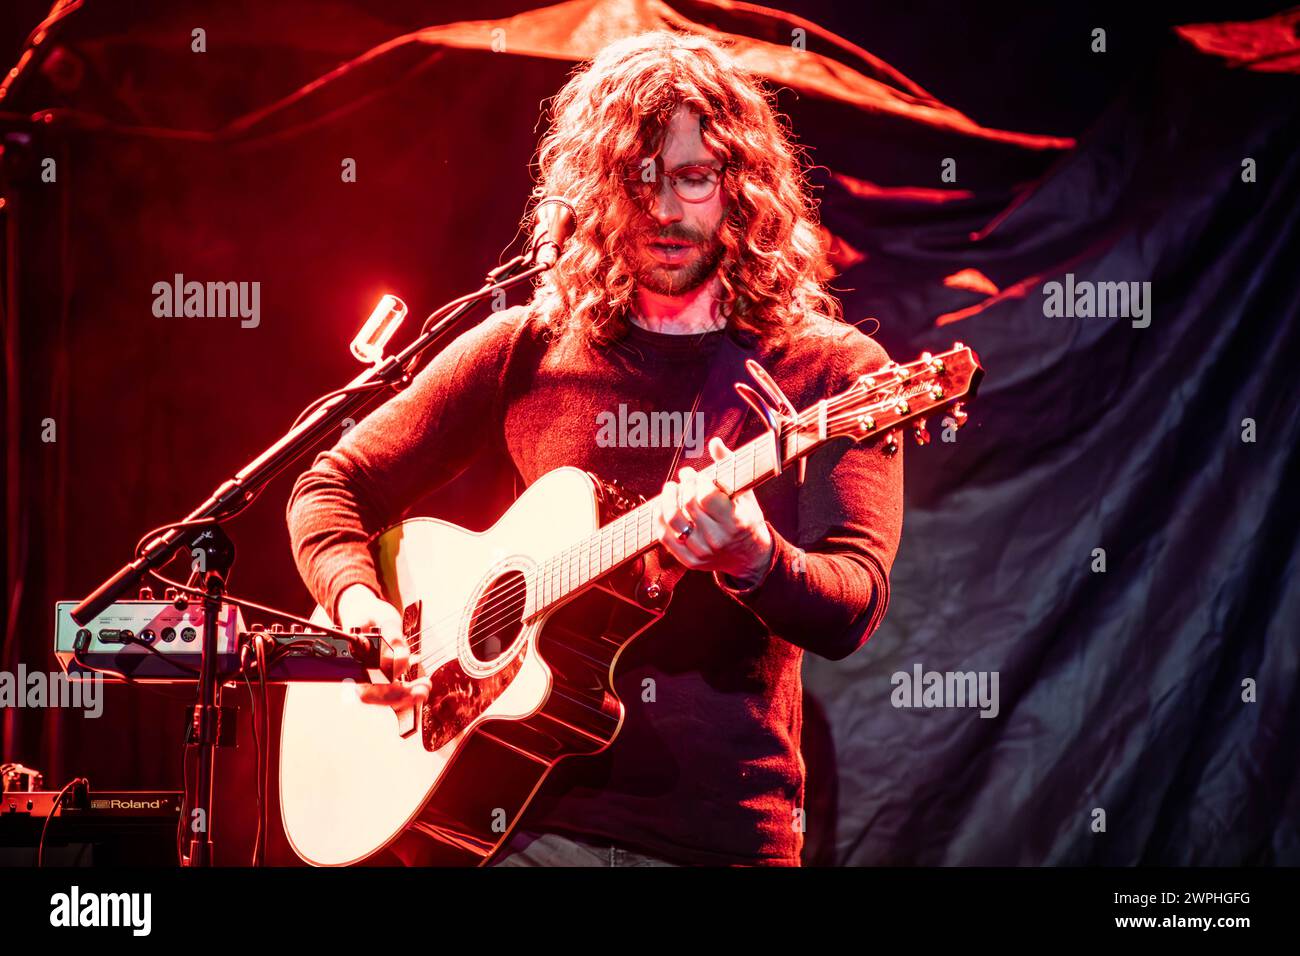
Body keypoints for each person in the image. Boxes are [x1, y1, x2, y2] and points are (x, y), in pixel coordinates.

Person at [286, 30, 903, 867]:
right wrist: (364, 614)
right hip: (509, 833)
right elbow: (334, 484)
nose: (665, 212)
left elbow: (852, 604)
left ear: (743, 189)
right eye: (636, 182)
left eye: (694, 179)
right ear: (593, 194)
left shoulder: (832, 371)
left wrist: (756, 558)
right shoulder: (528, 346)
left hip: (712, 840)